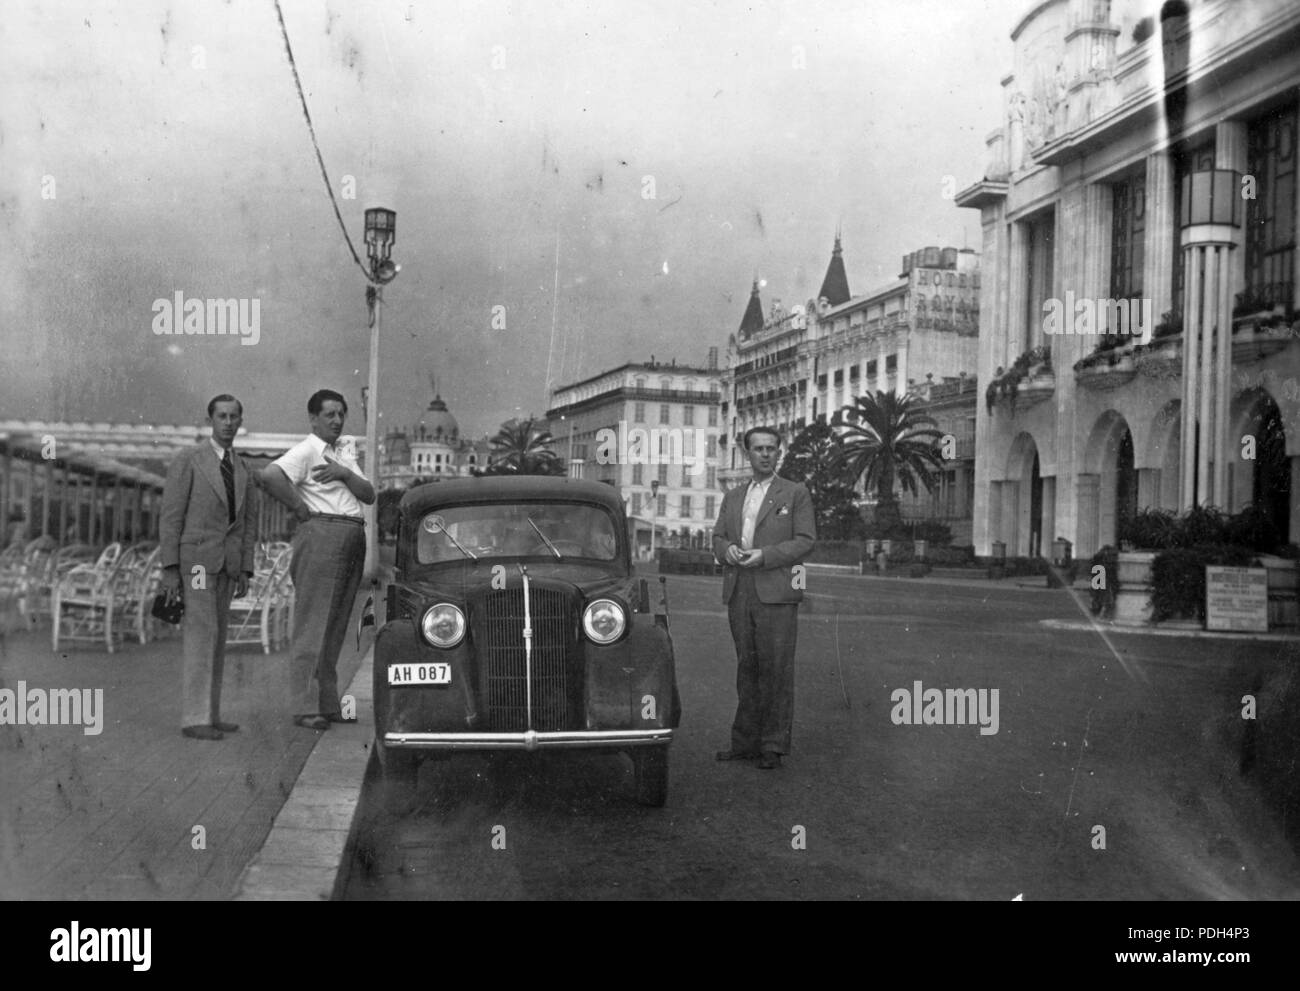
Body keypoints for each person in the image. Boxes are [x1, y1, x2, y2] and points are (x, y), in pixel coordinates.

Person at [260, 389, 375, 731]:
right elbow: (269, 476)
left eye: (341, 414)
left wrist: (343, 473)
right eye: (330, 415)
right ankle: (305, 706)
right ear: (313, 418)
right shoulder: (308, 450)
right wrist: (300, 509)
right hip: (323, 533)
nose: (337, 420)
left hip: (351, 536)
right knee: (313, 623)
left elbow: (368, 494)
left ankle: (326, 702)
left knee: (336, 624)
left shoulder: (340, 454)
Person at [711, 426, 815, 770]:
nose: (766, 454)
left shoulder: (795, 492)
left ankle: (772, 745)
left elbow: (805, 540)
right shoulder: (734, 496)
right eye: (759, 449)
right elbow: (717, 537)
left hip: (776, 594)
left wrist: (765, 555)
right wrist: (729, 551)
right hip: (740, 590)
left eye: (771, 448)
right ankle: (744, 743)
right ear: (748, 454)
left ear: (778, 452)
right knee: (747, 667)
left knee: (776, 670)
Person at [158, 395, 258, 741]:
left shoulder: (243, 469)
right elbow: (171, 516)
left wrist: (246, 568)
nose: (228, 423)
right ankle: (195, 717)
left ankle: (211, 714)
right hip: (197, 562)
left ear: (240, 421)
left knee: (217, 640)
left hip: (228, 566)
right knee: (202, 635)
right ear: (210, 420)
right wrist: (170, 567)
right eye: (222, 416)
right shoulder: (189, 460)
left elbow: (246, 524)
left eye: (234, 417)